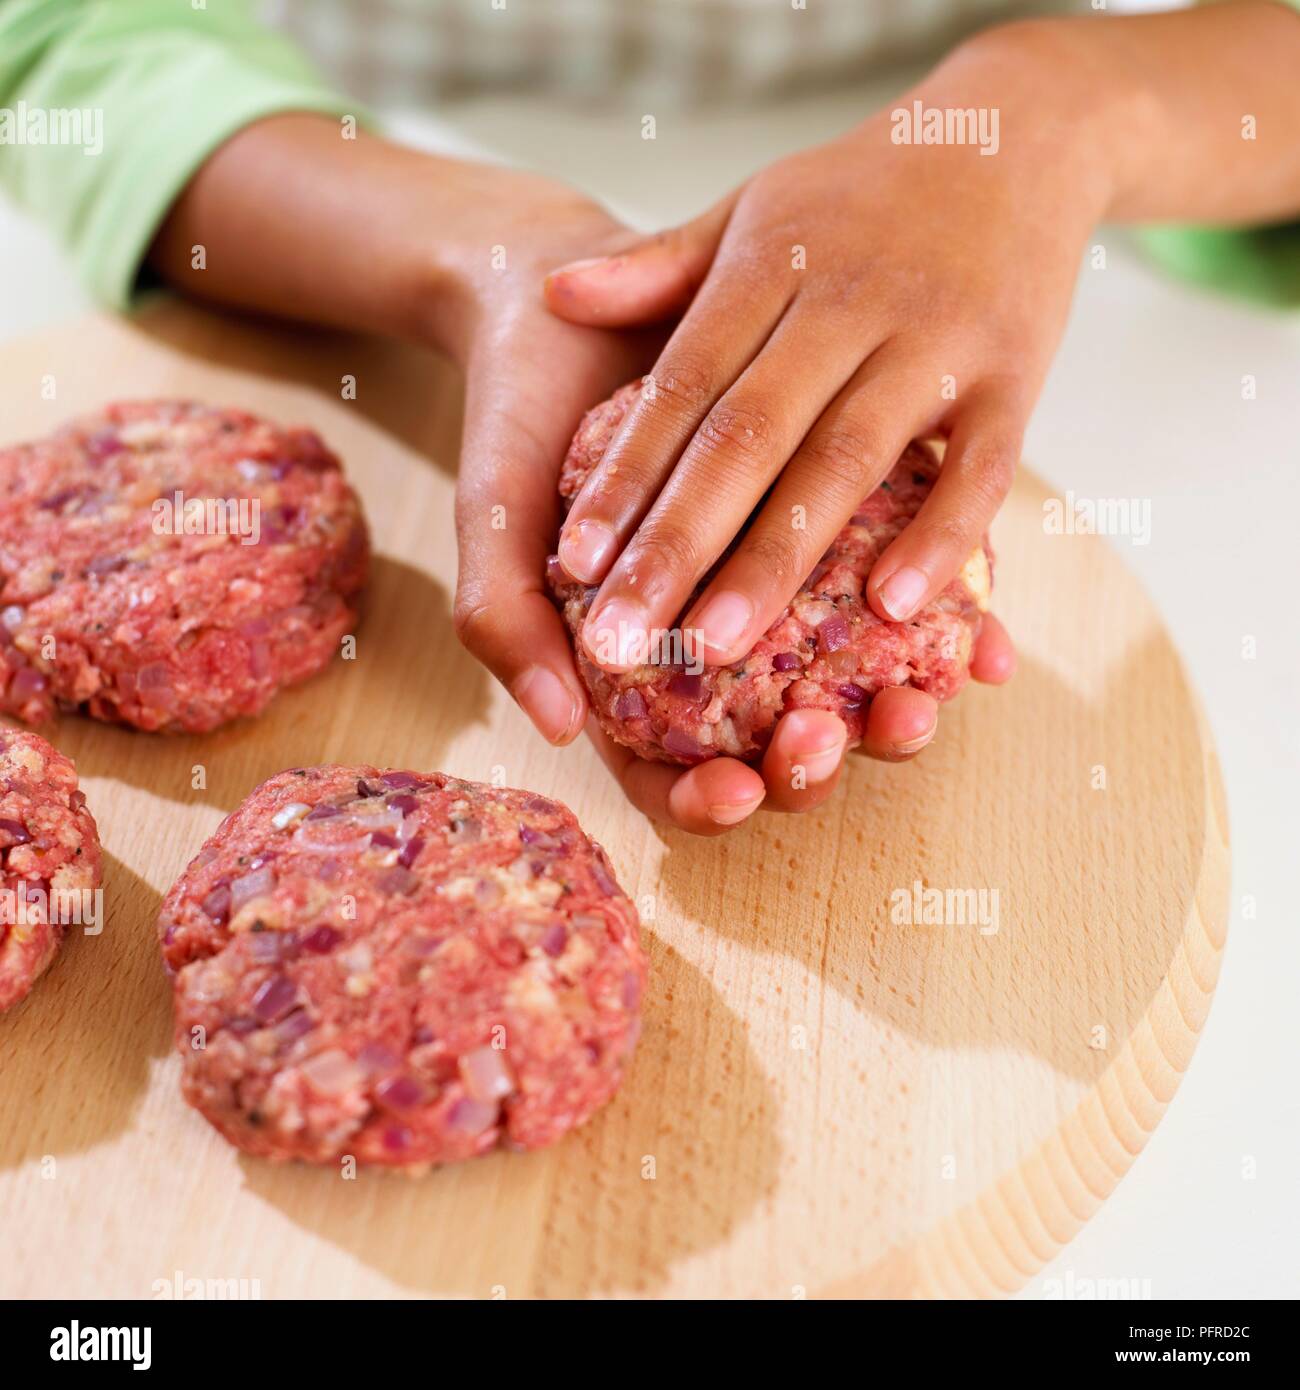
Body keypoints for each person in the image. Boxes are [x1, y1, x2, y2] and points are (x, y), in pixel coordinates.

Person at [2, 0, 1298, 835]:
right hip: (322, 160)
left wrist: (1057, 110)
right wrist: (495, 256)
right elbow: (57, 41)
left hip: (944, 205)